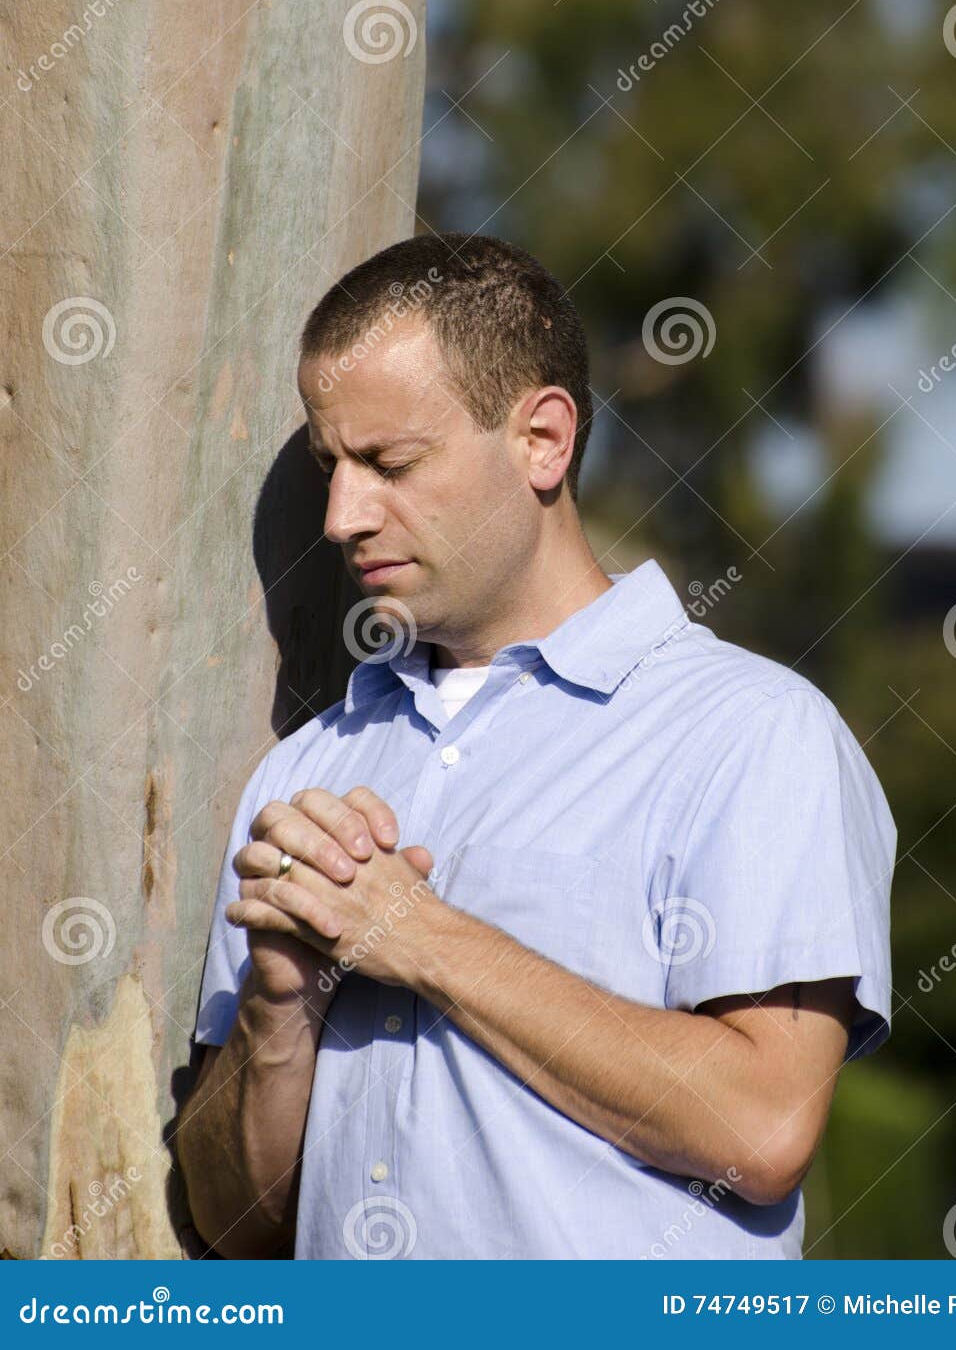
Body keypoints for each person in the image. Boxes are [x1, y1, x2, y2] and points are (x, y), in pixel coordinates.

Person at [176, 230, 896, 1260]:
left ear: (543, 440)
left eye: (389, 463)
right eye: (333, 467)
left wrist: (419, 936)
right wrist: (279, 1012)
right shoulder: (303, 769)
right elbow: (235, 1227)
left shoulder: (751, 733)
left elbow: (761, 1127)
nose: (341, 515)